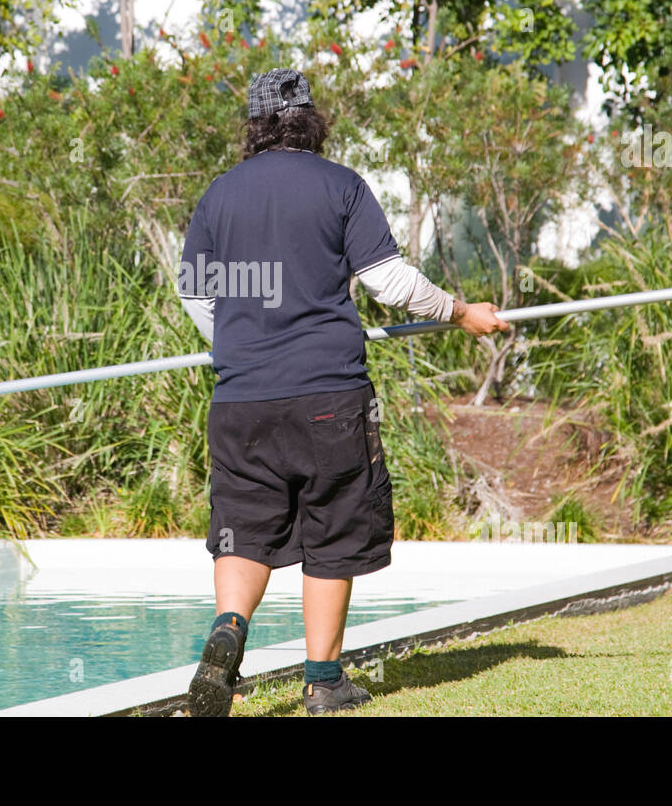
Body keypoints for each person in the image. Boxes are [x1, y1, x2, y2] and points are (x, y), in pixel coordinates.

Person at [178, 68, 509, 716]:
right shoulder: (340, 185)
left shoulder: (219, 195)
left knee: (243, 529)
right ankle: (324, 682)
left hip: (240, 397)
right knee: (332, 529)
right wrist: (461, 311)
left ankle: (228, 631)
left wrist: (243, 342)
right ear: (311, 120)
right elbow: (389, 282)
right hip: (327, 393)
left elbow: (196, 296)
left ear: (254, 125)